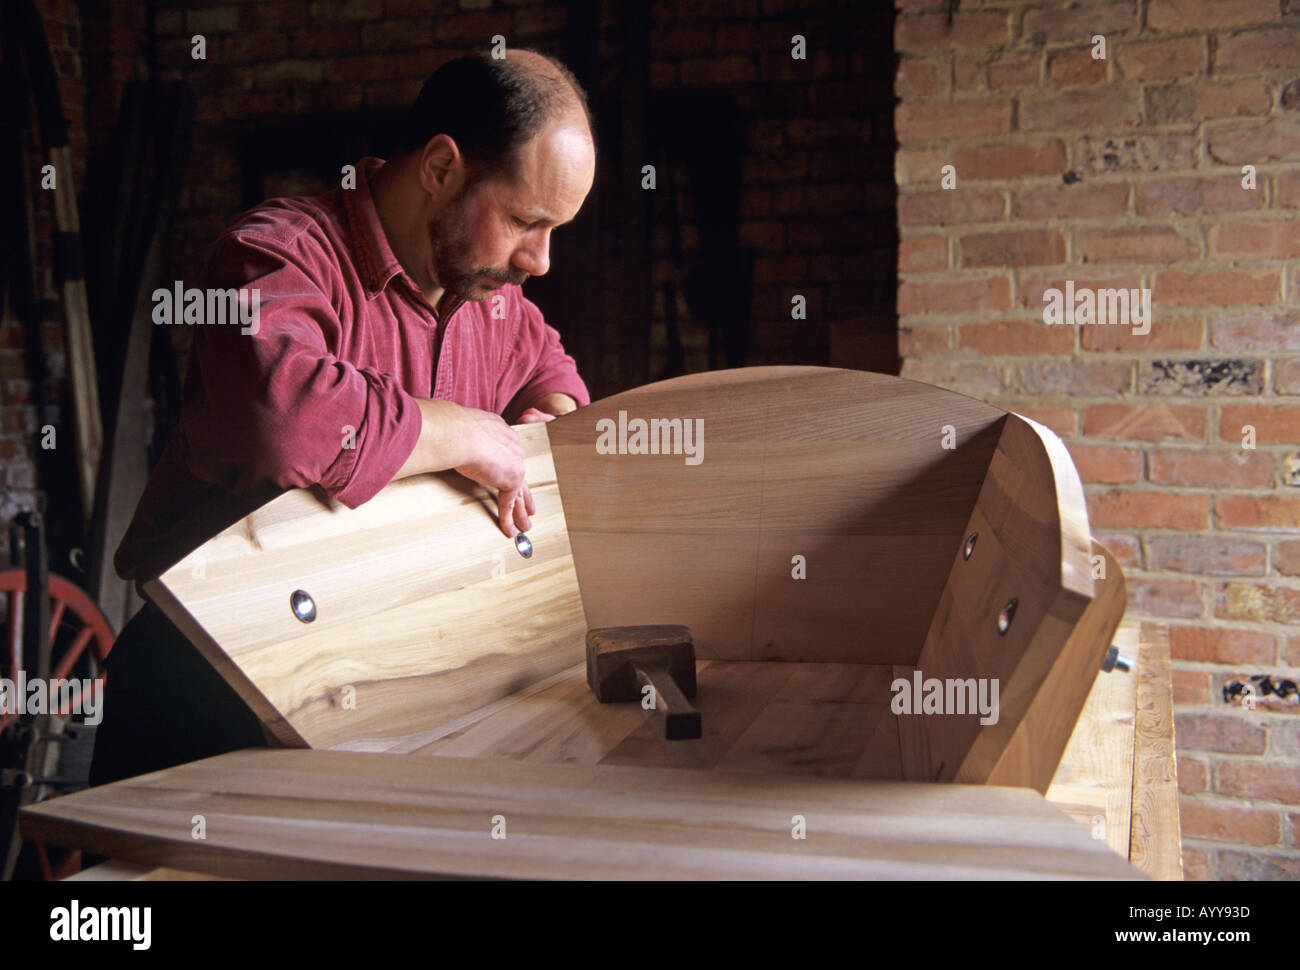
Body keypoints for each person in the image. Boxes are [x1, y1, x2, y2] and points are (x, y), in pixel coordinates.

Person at [88, 49, 597, 787]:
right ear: (442, 167)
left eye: (557, 229)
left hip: (372, 690)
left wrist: (546, 424)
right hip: (208, 687)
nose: (542, 260)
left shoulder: (489, 298)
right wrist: (459, 431)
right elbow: (281, 420)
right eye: (526, 220)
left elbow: (555, 379)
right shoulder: (273, 254)